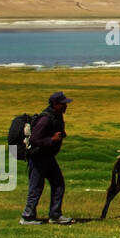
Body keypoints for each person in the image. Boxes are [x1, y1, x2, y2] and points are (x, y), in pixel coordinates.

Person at [20, 92, 73, 225]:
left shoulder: (57, 116)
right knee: (36, 187)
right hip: (38, 157)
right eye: (63, 104)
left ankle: (55, 215)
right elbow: (34, 139)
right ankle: (27, 216)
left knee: (58, 183)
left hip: (48, 157)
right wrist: (52, 139)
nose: (66, 106)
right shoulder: (46, 119)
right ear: (55, 105)